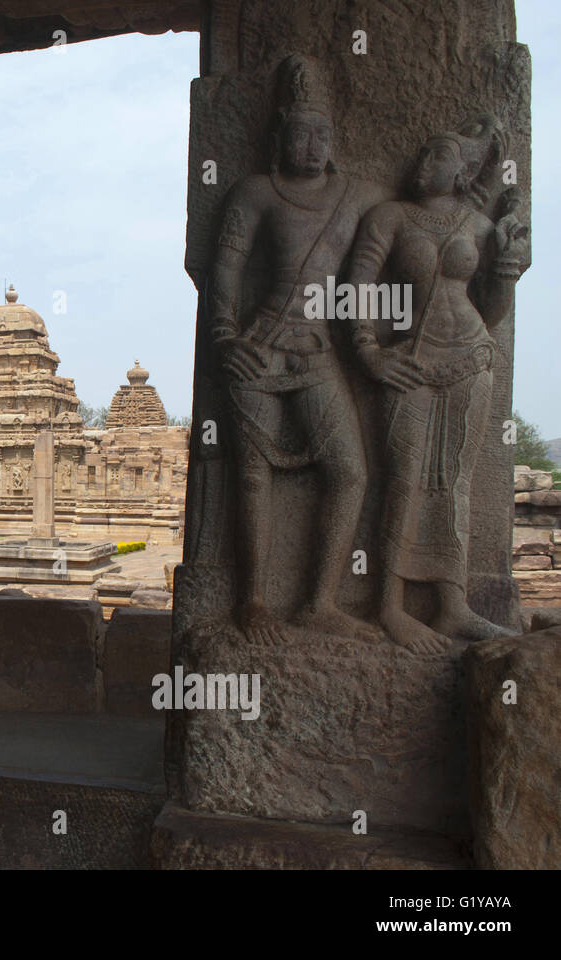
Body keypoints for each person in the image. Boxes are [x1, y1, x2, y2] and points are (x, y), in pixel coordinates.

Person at [209, 55, 388, 644]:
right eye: (300, 133)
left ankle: (319, 602)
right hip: (258, 348)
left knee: (351, 472)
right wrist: (222, 337)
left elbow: (407, 221)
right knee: (252, 472)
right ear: (279, 136)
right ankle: (253, 598)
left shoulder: (356, 196)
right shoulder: (254, 193)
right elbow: (225, 270)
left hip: (316, 351)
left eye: (322, 135)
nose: (311, 146)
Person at [346, 117, 526, 652]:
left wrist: (506, 276)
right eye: (421, 157)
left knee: (455, 483)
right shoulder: (390, 218)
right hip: (410, 362)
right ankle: (387, 606)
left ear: (463, 170)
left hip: (472, 357)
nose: (421, 167)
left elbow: (490, 313)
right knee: (401, 478)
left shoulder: (477, 225)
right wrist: (369, 352)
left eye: (436, 157)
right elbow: (355, 288)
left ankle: (452, 604)